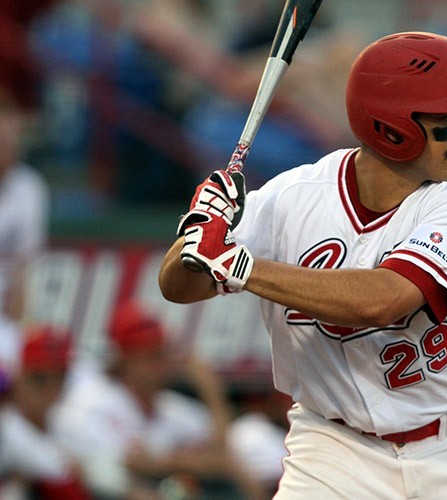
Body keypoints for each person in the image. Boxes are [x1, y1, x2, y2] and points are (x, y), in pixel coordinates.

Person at [159, 31, 447, 499]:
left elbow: (384, 300)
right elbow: (178, 286)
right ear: (392, 126)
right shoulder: (292, 197)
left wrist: (238, 263)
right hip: (332, 452)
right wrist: (199, 232)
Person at [52, 298, 264, 499]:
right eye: (151, 355)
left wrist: (212, 391)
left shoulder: (172, 406)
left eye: (163, 352)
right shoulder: (94, 400)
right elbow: (124, 465)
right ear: (125, 358)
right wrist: (188, 462)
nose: (163, 363)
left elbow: (223, 455)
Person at [0, 326, 90, 499]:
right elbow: (61, 477)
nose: (50, 389)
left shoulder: (63, 422)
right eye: (39, 378)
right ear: (20, 375)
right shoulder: (7, 420)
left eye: (59, 378)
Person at [0, 86, 50, 373]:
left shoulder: (29, 187)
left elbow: (24, 270)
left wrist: (16, 336)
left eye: (12, 139)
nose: (8, 146)